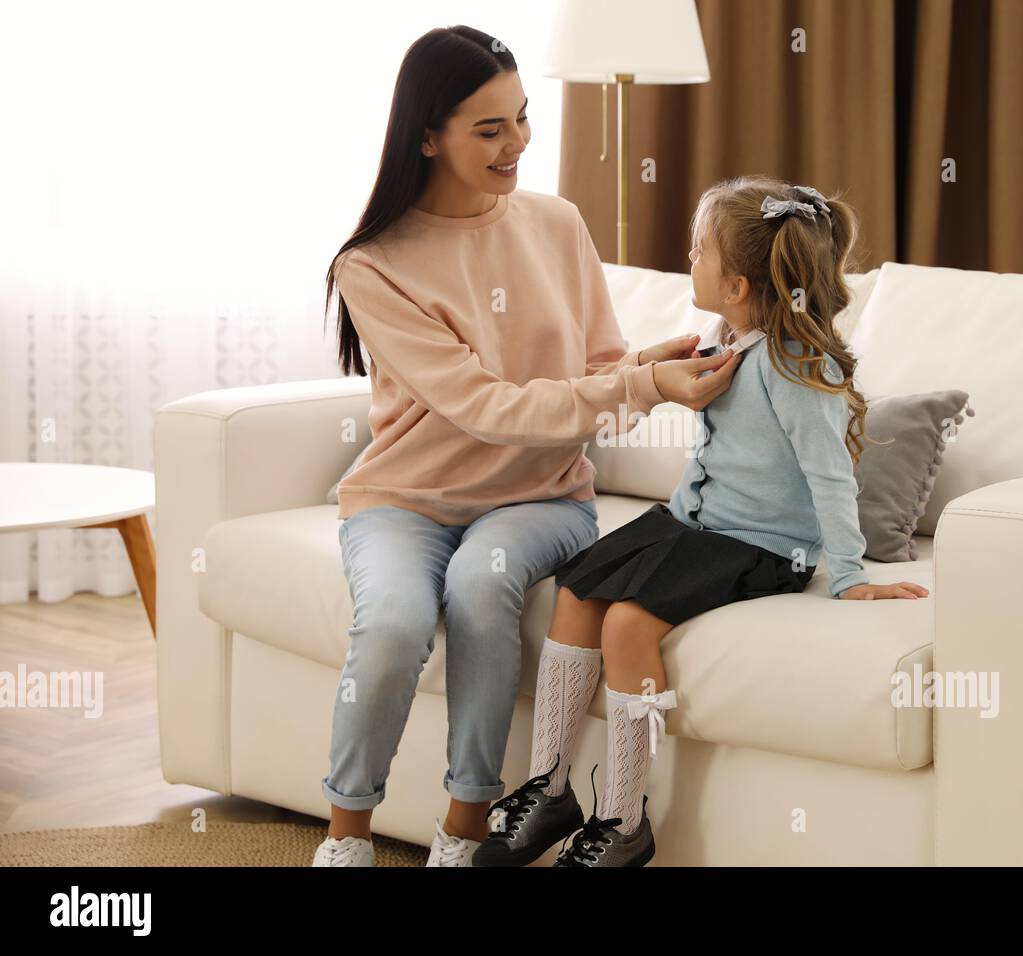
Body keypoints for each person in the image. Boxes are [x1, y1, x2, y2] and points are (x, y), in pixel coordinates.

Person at [311, 26, 740, 867]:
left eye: (522, 117)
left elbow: (600, 375)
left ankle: (462, 834)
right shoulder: (373, 265)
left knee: (482, 585)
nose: (518, 144)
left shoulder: (556, 222)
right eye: (489, 129)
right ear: (426, 135)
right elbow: (483, 406)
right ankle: (345, 840)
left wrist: (647, 369)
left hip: (541, 498)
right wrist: (640, 387)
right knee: (394, 622)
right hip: (405, 500)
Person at [475, 176, 929, 868]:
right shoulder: (729, 336)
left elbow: (831, 476)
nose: (687, 259)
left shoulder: (794, 364)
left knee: (627, 623)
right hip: (691, 521)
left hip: (760, 547)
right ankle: (551, 788)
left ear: (739, 283)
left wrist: (849, 576)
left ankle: (624, 821)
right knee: (576, 591)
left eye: (698, 251)